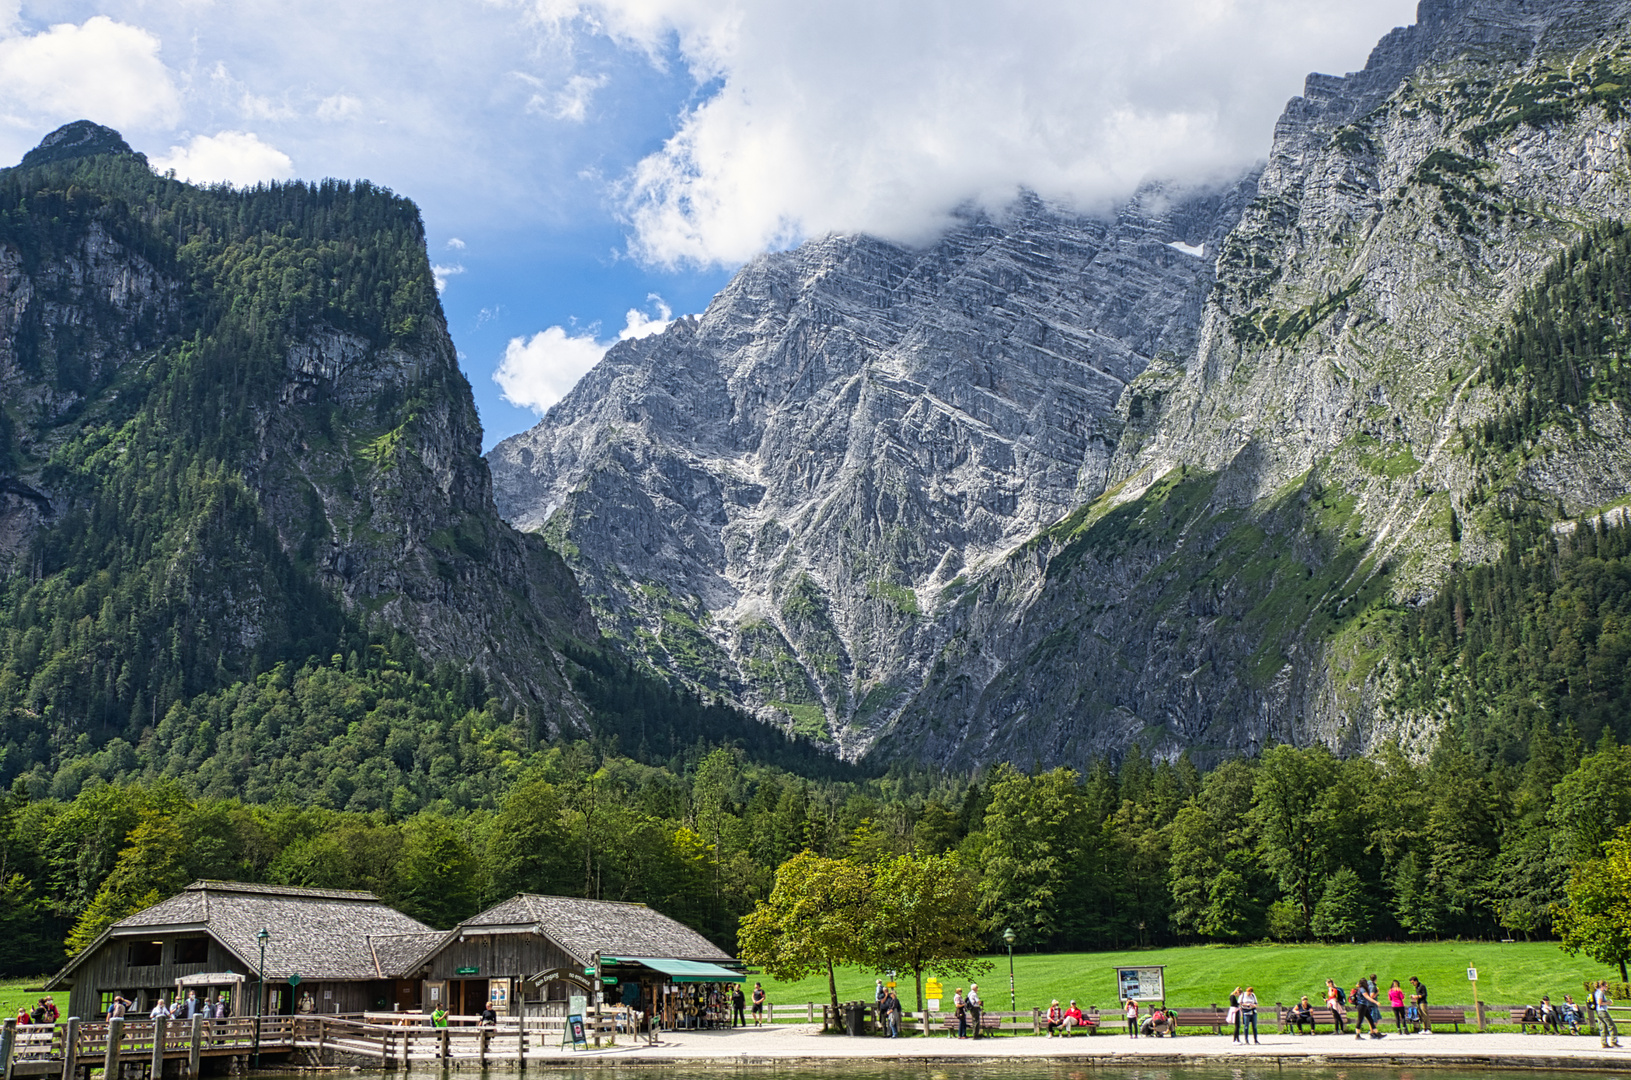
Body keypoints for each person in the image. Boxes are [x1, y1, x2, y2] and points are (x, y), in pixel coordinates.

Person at [1593, 980, 1620, 1048]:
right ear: (1602, 986)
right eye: (1606, 985)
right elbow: (1600, 1003)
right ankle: (1614, 1041)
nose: (1607, 987)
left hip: (1598, 1011)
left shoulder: (1597, 992)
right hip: (1602, 1011)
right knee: (1612, 1026)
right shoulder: (1600, 993)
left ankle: (1604, 1042)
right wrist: (1608, 1002)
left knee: (1603, 1027)